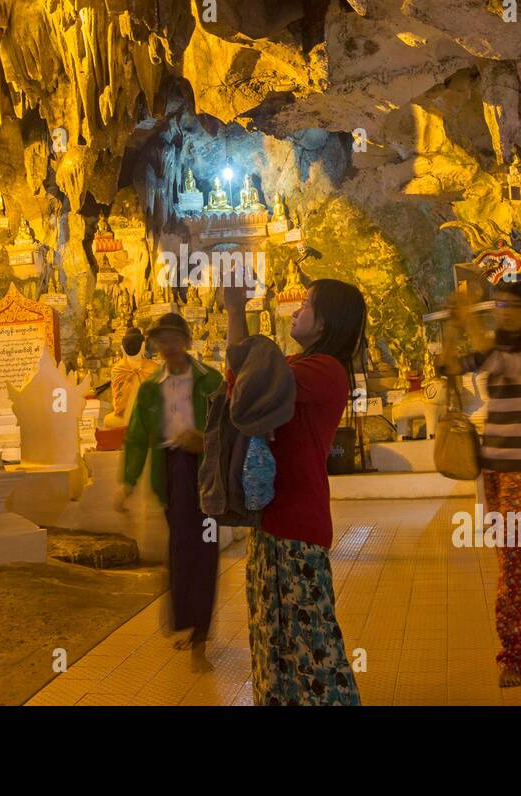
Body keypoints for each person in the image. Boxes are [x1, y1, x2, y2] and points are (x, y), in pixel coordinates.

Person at [225, 277, 363, 705]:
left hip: (297, 527)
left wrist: (234, 312)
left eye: (305, 305)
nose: (296, 310)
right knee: (273, 643)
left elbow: (244, 388)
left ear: (324, 324)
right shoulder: (297, 365)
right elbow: (240, 383)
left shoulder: (324, 372)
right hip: (272, 522)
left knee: (313, 649)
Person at [444, 280, 521, 687]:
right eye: (502, 305)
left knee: (513, 567)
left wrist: (468, 318)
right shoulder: (496, 351)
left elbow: (485, 355)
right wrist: (452, 325)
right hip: (494, 470)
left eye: (514, 307)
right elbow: (452, 366)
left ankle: (513, 655)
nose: (506, 312)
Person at [118, 313, 223, 671]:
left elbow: (228, 429)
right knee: (180, 550)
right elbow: (135, 438)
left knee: (206, 552)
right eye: (161, 339)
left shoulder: (211, 380)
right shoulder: (150, 387)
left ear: (187, 340)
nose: (168, 345)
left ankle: (200, 640)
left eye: (174, 337)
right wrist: (127, 483)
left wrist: (203, 444)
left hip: (205, 472)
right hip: (171, 472)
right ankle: (187, 625)